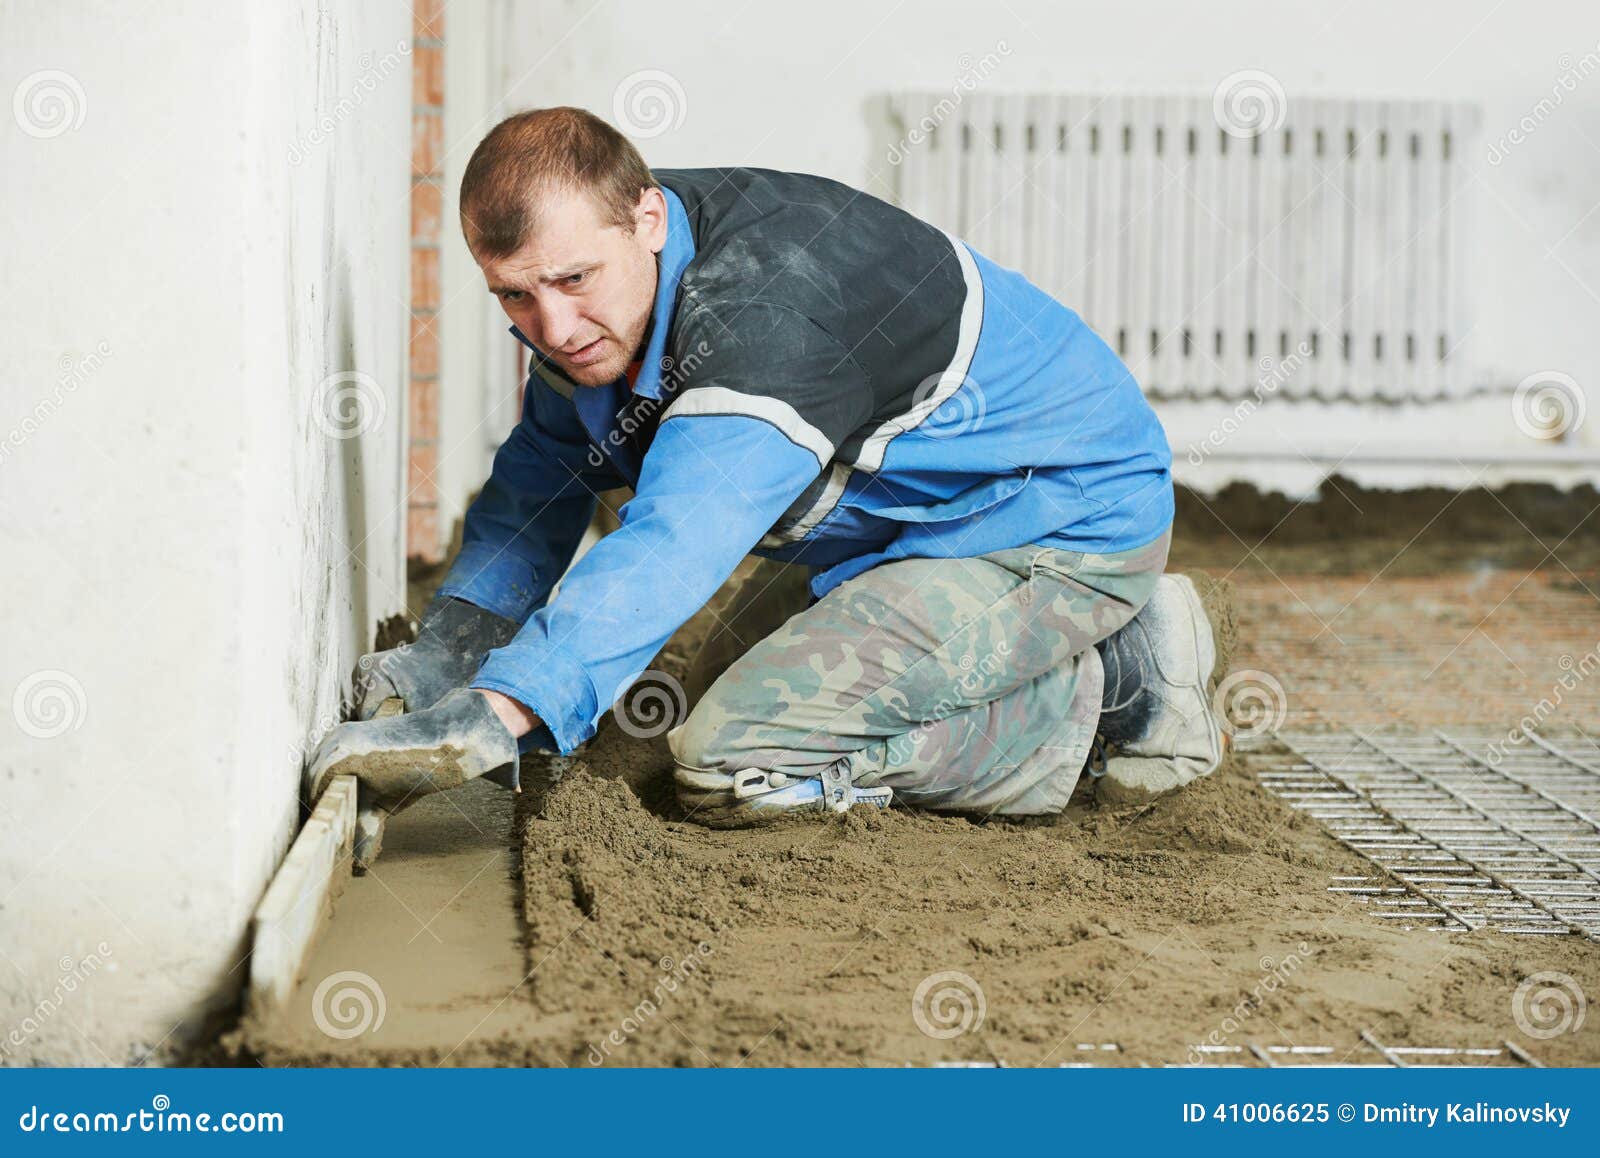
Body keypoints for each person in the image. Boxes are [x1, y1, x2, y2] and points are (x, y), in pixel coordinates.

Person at [307, 106, 1222, 836]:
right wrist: (452, 650)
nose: (550, 327)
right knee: (682, 708)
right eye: (514, 293)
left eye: (573, 282)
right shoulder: (611, 279)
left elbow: (676, 541)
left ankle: (1119, 695)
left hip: (1055, 522)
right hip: (923, 522)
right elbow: (546, 467)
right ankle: (1068, 658)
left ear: (647, 217)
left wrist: (496, 711)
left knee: (735, 757)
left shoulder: (765, 320)